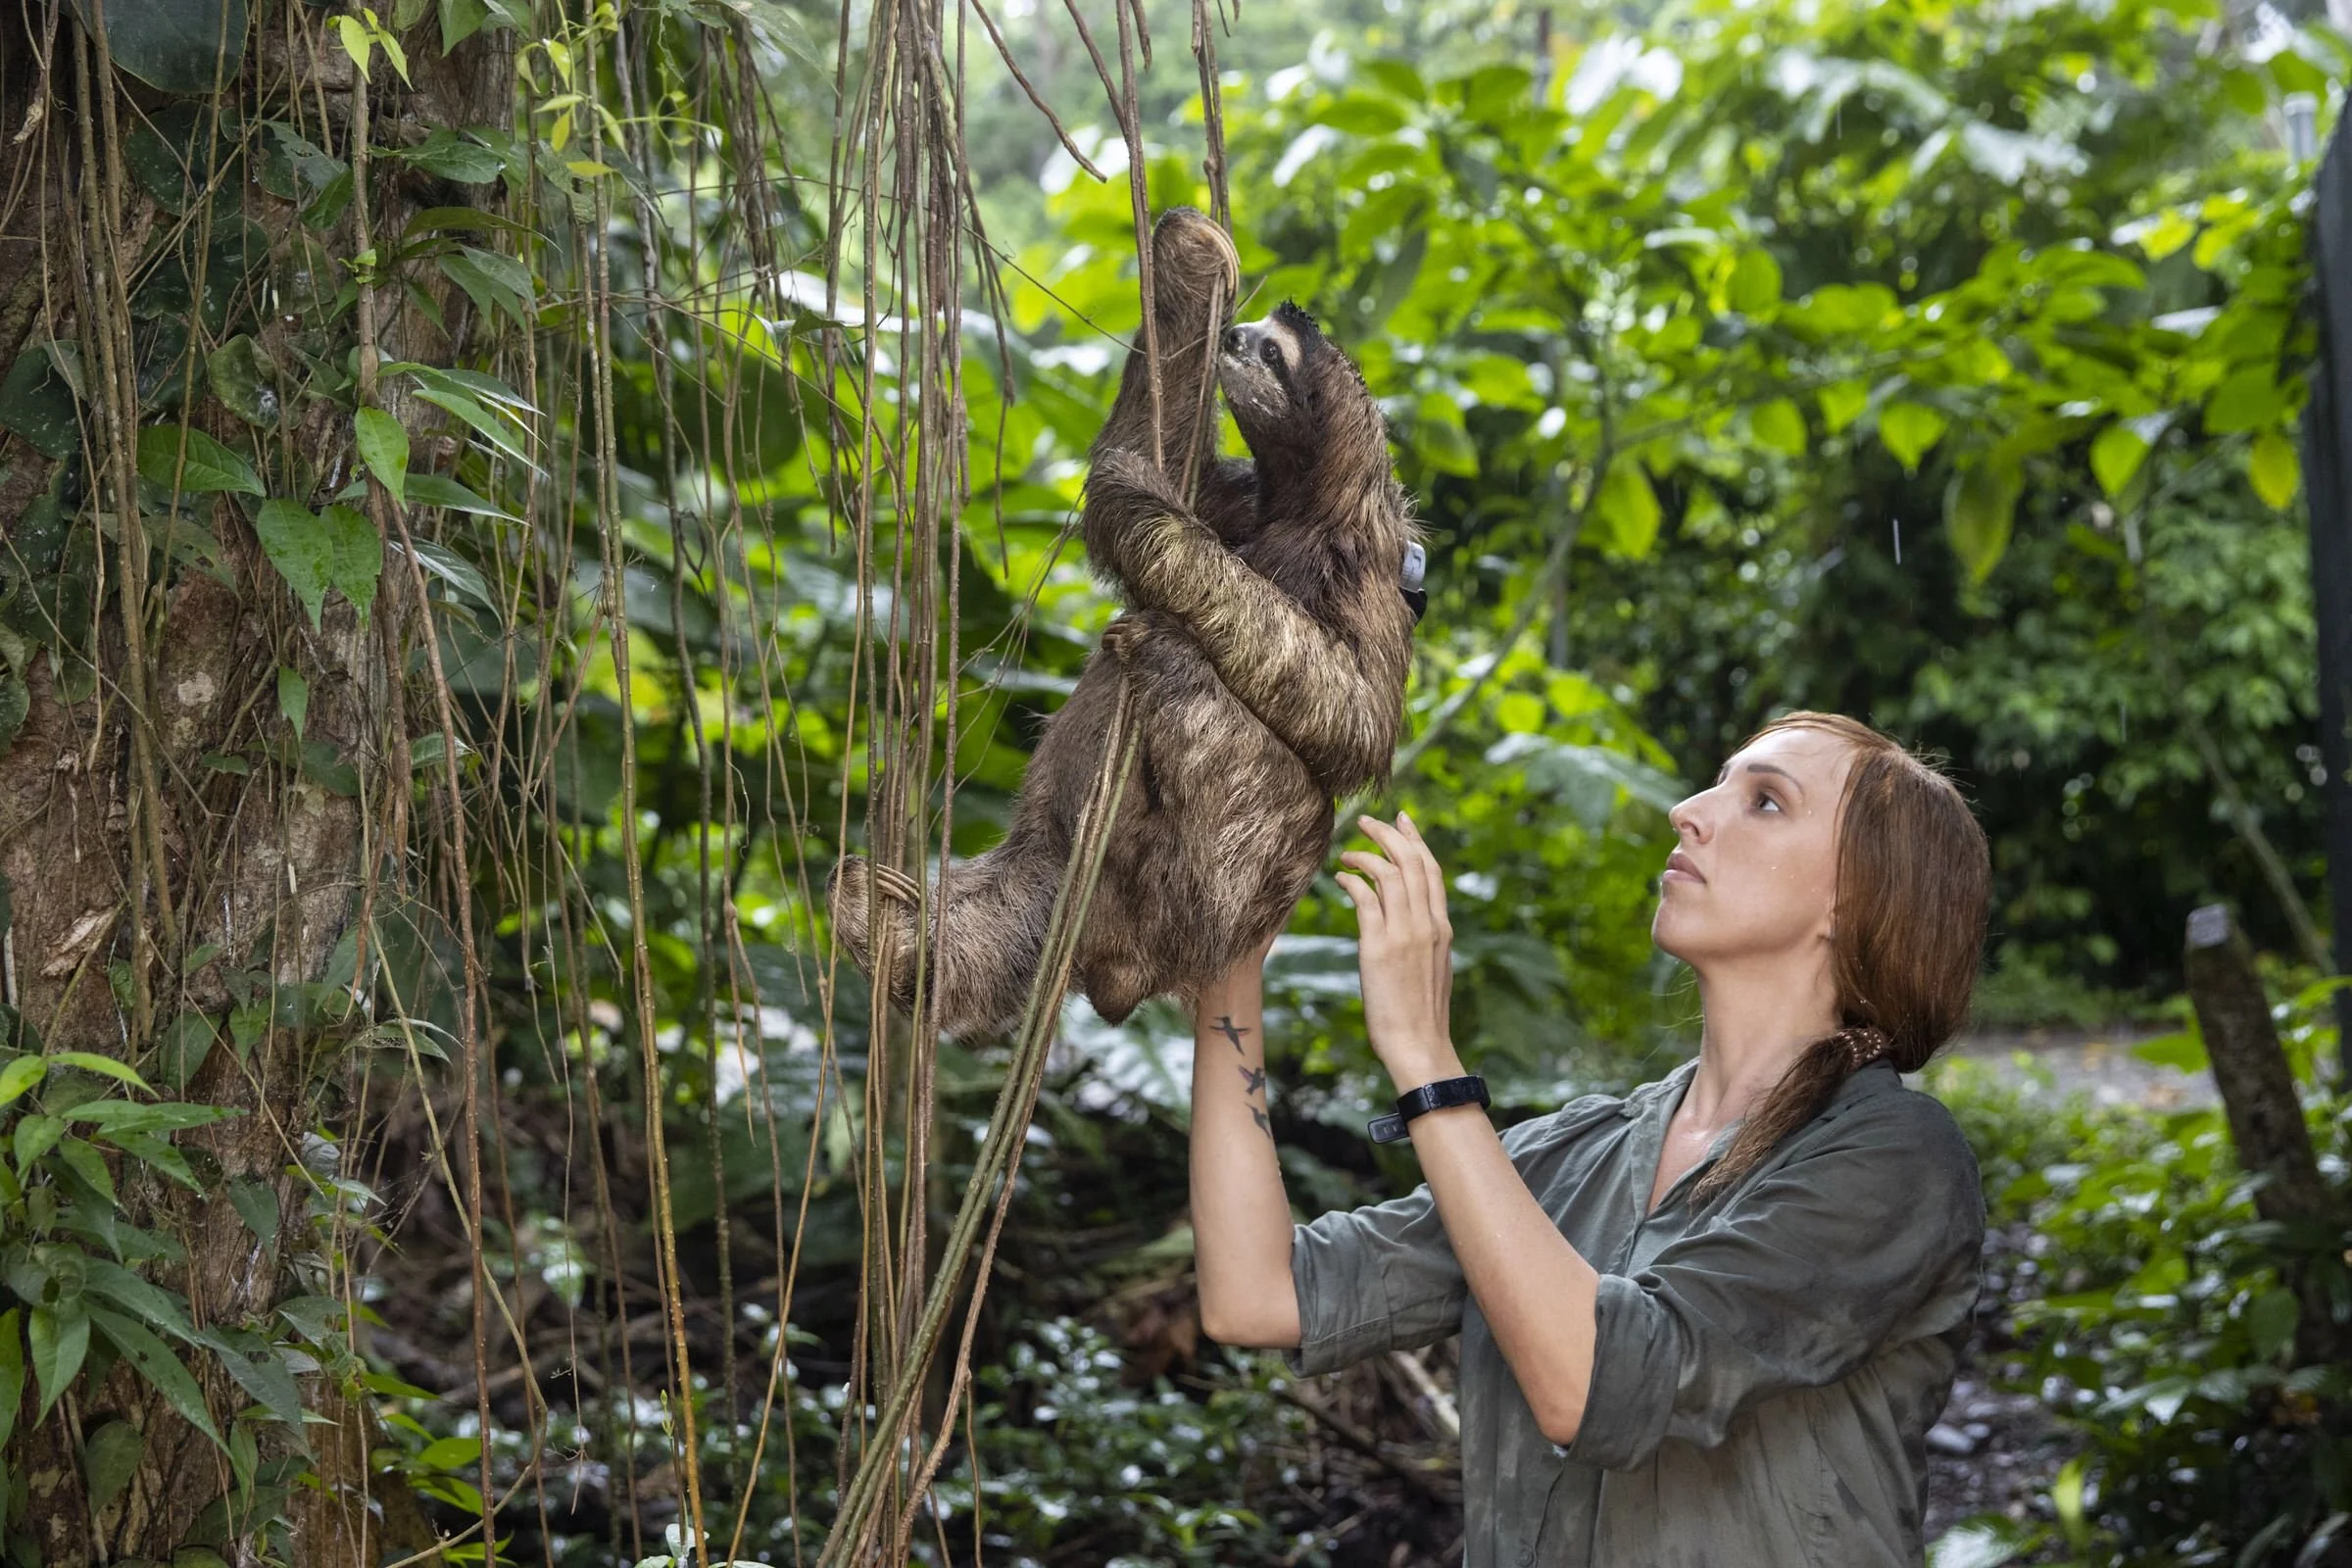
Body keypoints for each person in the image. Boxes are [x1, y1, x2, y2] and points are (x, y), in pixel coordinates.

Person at [1188, 710, 1991, 1567]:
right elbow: (1258, 1293)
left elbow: (1599, 1379)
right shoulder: (1579, 1154)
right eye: (1719, 780)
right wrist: (1226, 967)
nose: (1689, 808)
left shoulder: (1898, 1162)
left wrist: (1426, 1056)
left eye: (1764, 802)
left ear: (1856, 898)